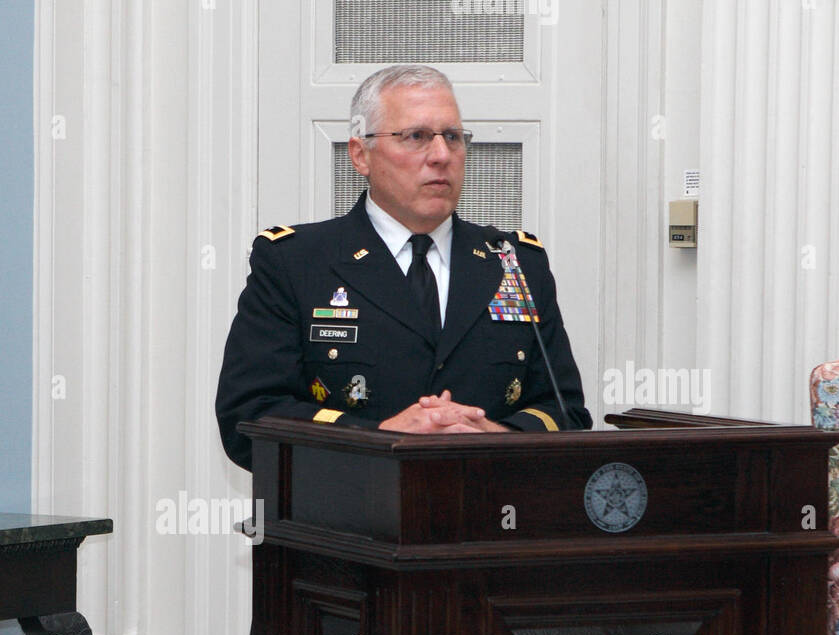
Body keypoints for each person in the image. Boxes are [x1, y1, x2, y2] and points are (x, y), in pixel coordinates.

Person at [216, 64, 592, 472]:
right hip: (348, 520)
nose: (441, 156)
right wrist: (378, 438)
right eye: (416, 137)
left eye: (452, 137)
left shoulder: (515, 262)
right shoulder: (296, 262)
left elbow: (565, 410)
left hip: (491, 518)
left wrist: (497, 439)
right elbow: (248, 417)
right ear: (361, 154)